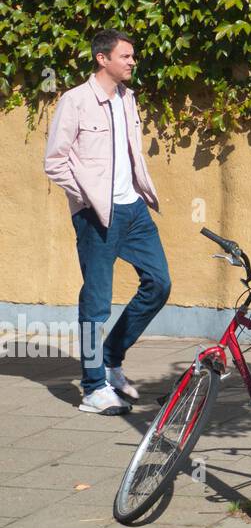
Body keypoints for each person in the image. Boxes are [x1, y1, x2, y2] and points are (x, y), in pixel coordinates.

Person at [43, 29, 169, 414]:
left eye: (132, 56)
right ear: (103, 59)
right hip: (97, 215)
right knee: (96, 303)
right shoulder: (75, 102)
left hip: (133, 210)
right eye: (126, 56)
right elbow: (55, 162)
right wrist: (85, 199)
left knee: (159, 284)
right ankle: (93, 387)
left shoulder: (127, 98)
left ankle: (112, 358)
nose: (133, 62)